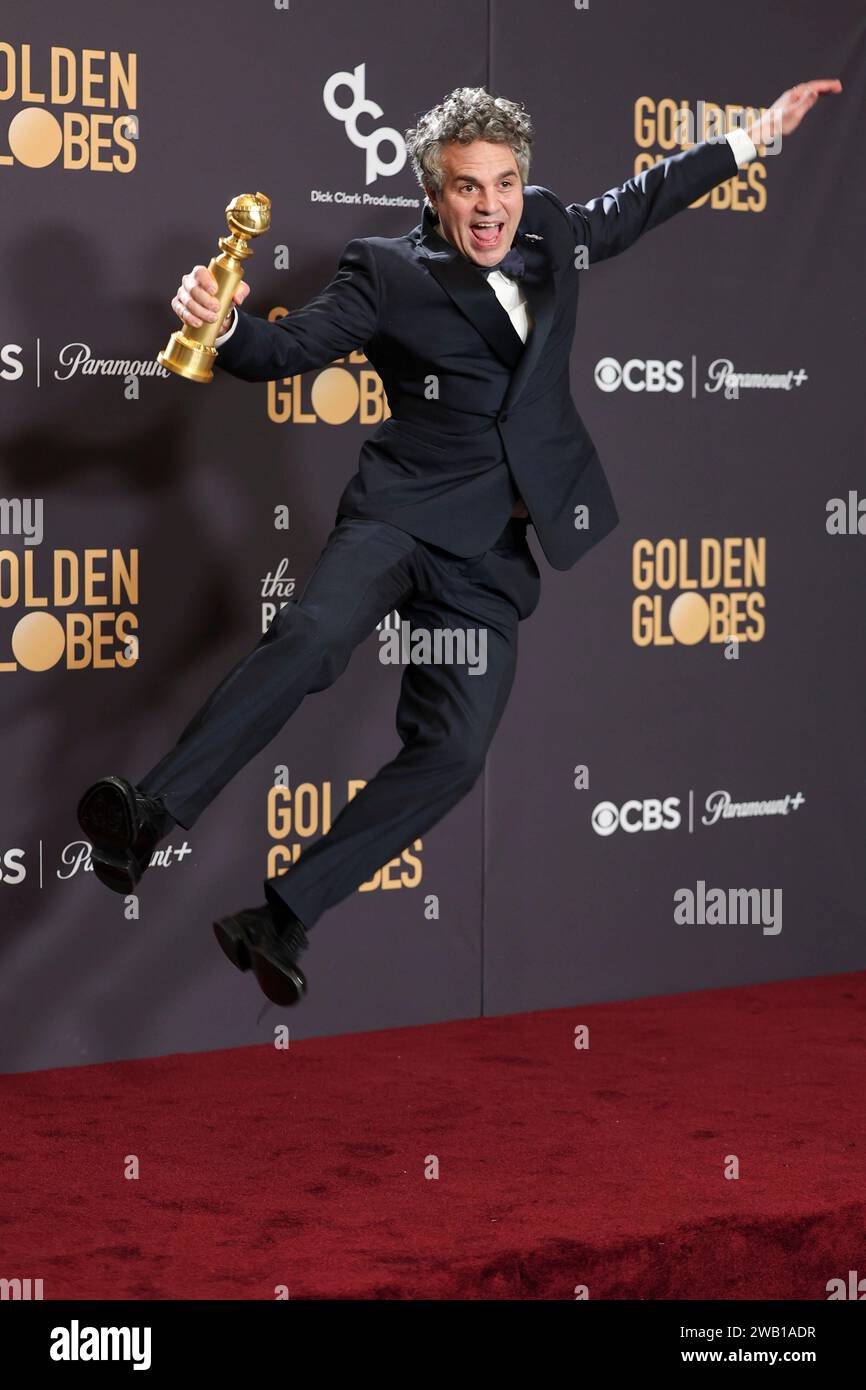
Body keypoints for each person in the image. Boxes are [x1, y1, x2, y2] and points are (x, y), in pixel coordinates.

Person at [77, 80, 841, 1008]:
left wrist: (755, 137)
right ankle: (152, 814)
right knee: (313, 640)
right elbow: (290, 351)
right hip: (400, 515)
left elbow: (639, 204)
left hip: (492, 555)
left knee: (455, 752)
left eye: (505, 183)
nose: (491, 206)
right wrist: (225, 324)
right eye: (468, 188)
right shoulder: (385, 269)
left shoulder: (553, 229)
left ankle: (282, 915)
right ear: (433, 195)